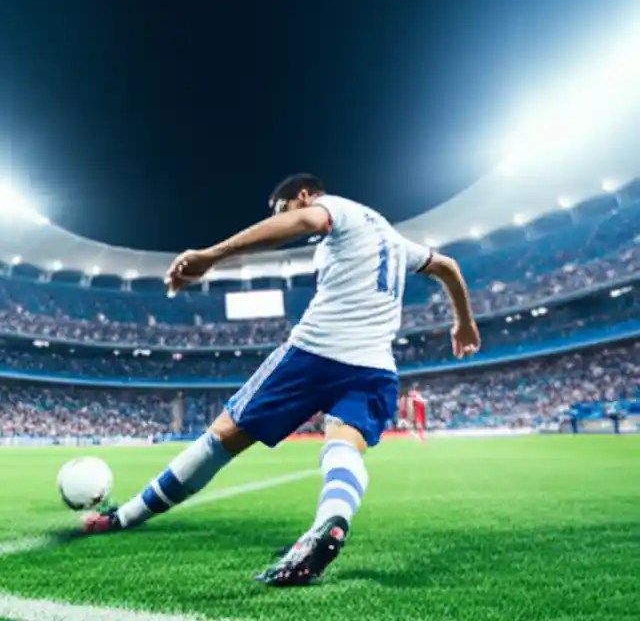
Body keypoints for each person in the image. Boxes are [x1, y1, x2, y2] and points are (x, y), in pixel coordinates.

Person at [81, 173, 480, 586]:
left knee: (221, 438)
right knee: (343, 449)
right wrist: (463, 322)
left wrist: (211, 255)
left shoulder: (337, 209)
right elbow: (447, 266)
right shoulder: (394, 241)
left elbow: (305, 222)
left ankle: (126, 515)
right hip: (375, 367)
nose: (285, 218)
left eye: (283, 209)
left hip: (313, 354)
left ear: (304, 196)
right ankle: (329, 524)